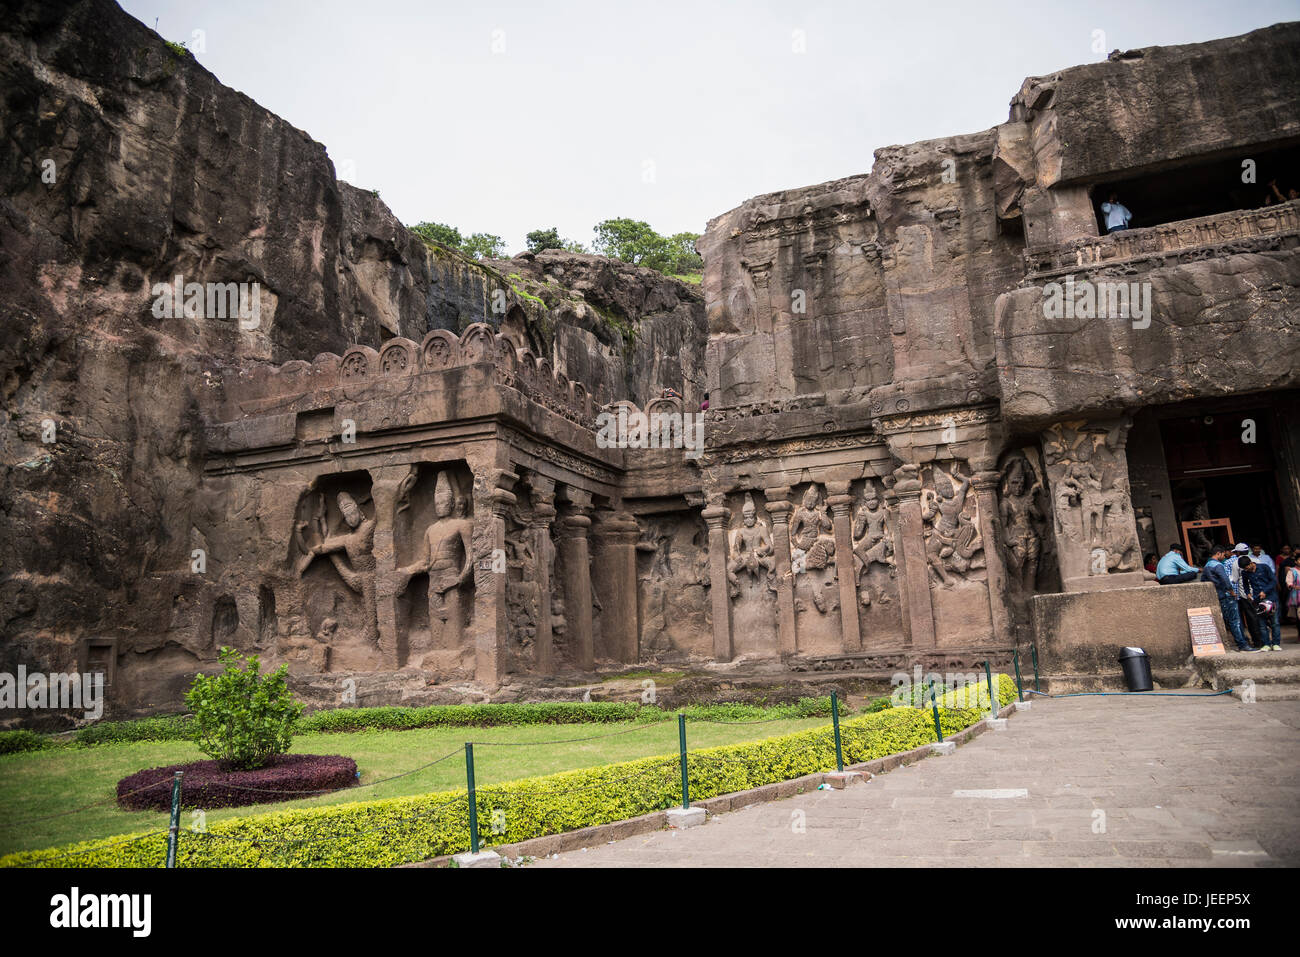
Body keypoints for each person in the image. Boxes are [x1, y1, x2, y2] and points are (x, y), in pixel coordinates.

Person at [1203, 546, 1250, 651]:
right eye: (1223, 554)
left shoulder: (1207, 565)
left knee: (1230, 621)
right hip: (1226, 595)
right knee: (1235, 621)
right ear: (1218, 553)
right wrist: (1232, 591)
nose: (1224, 556)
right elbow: (1225, 579)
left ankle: (1242, 642)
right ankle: (1243, 645)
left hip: (1219, 595)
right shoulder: (1218, 565)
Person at [1246, 556, 1283, 650]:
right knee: (1262, 624)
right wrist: (1248, 593)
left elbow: (1273, 581)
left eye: (1247, 567)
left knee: (1275, 622)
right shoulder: (1245, 572)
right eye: (1245, 569)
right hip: (1258, 600)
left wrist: (1265, 591)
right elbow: (1245, 584)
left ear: (1251, 563)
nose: (1246, 570)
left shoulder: (1264, 567)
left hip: (1271, 597)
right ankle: (1266, 644)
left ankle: (1276, 644)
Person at [1235, 555, 1266, 650]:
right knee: (1260, 618)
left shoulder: (1235, 563)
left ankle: (1258, 642)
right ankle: (1264, 642)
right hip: (1257, 594)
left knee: (1252, 620)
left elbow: (1234, 579)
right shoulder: (1257, 561)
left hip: (1248, 596)